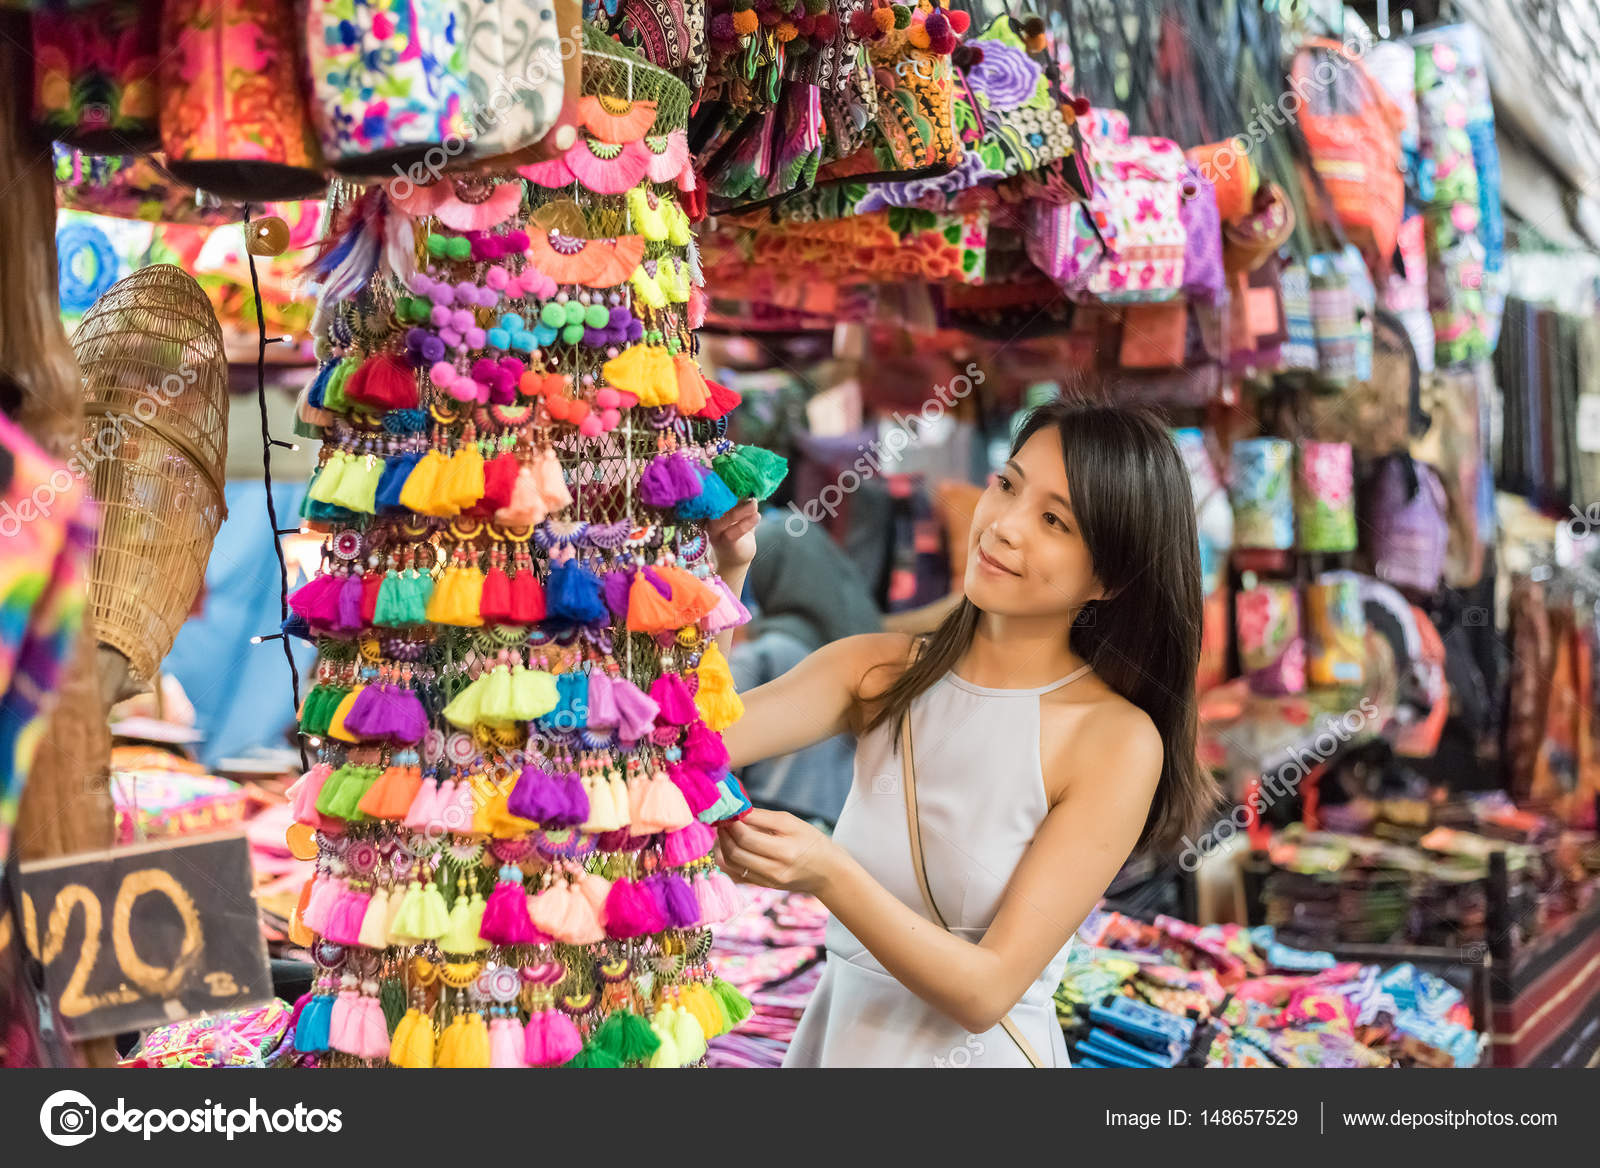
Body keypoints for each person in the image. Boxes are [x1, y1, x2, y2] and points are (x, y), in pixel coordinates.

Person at [704, 398, 1217, 1067]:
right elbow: (692, 738)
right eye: (1007, 485)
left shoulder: (1115, 741)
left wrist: (828, 873)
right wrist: (729, 571)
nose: (1003, 525)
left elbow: (987, 990)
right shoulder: (875, 670)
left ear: (1111, 578)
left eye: (1054, 520)